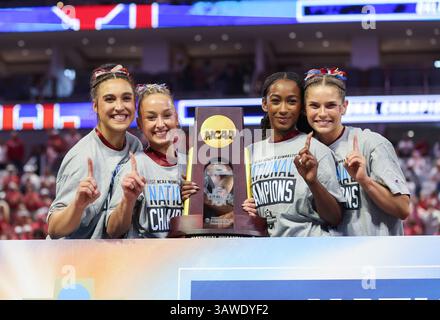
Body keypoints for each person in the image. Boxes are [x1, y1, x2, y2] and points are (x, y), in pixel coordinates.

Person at [303, 67, 410, 236]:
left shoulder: (372, 143)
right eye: (314, 106)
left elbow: (403, 209)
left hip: (378, 257)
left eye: (330, 105)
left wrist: (364, 180)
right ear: (305, 109)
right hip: (331, 257)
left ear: (344, 107)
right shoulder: (304, 153)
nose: (322, 113)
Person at [242, 72, 345, 236]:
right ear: (264, 104)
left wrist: (313, 182)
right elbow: (233, 208)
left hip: (310, 253)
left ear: (301, 107)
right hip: (267, 253)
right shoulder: (250, 153)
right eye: (275, 101)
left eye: (291, 101)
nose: (283, 109)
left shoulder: (316, 150)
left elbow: (335, 217)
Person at [47, 64, 143, 239]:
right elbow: (54, 229)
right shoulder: (82, 157)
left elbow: (115, 228)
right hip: (70, 261)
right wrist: (77, 204)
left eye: (126, 98)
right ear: (95, 106)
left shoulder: (134, 145)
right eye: (109, 99)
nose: (119, 106)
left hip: (105, 257)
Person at [106, 84, 198, 238]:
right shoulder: (134, 168)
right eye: (151, 117)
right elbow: (113, 230)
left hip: (185, 258)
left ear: (176, 119)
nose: (160, 124)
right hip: (147, 259)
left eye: (167, 115)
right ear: (140, 124)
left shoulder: (192, 166)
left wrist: (196, 202)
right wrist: (128, 200)